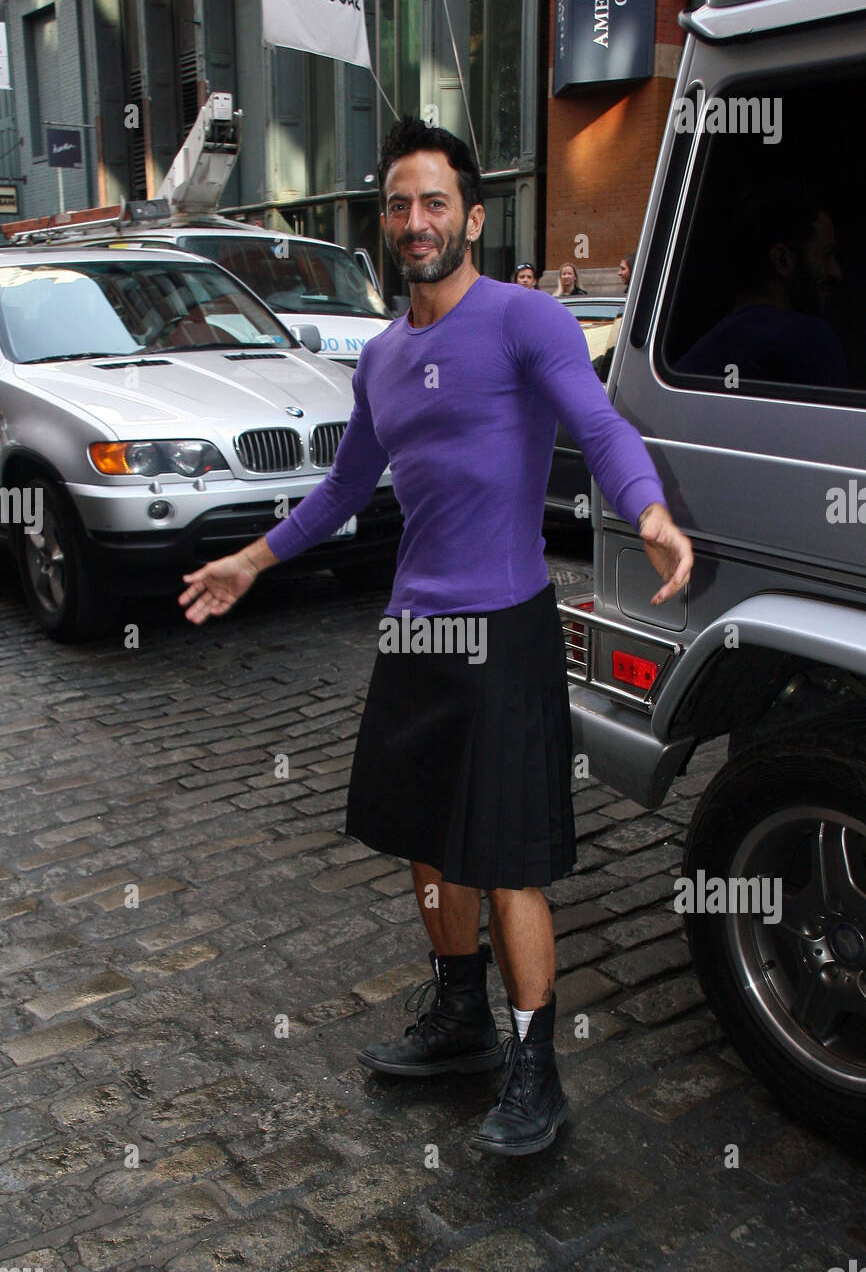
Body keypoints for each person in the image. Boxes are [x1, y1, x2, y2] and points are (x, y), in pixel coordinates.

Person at [178, 116, 693, 1158]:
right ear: (386, 222)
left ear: (470, 213)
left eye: (434, 203)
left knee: (504, 858)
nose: (415, 222)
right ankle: (459, 1016)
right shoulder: (379, 357)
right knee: (425, 836)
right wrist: (252, 559)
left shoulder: (522, 321)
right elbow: (341, 490)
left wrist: (644, 509)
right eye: (399, 206)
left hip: (503, 626)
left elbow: (598, 428)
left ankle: (534, 1065)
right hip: (413, 634)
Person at [676, 182, 845, 387]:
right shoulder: (809, 338)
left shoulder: (702, 353)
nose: (836, 272)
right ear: (782, 260)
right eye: (827, 254)